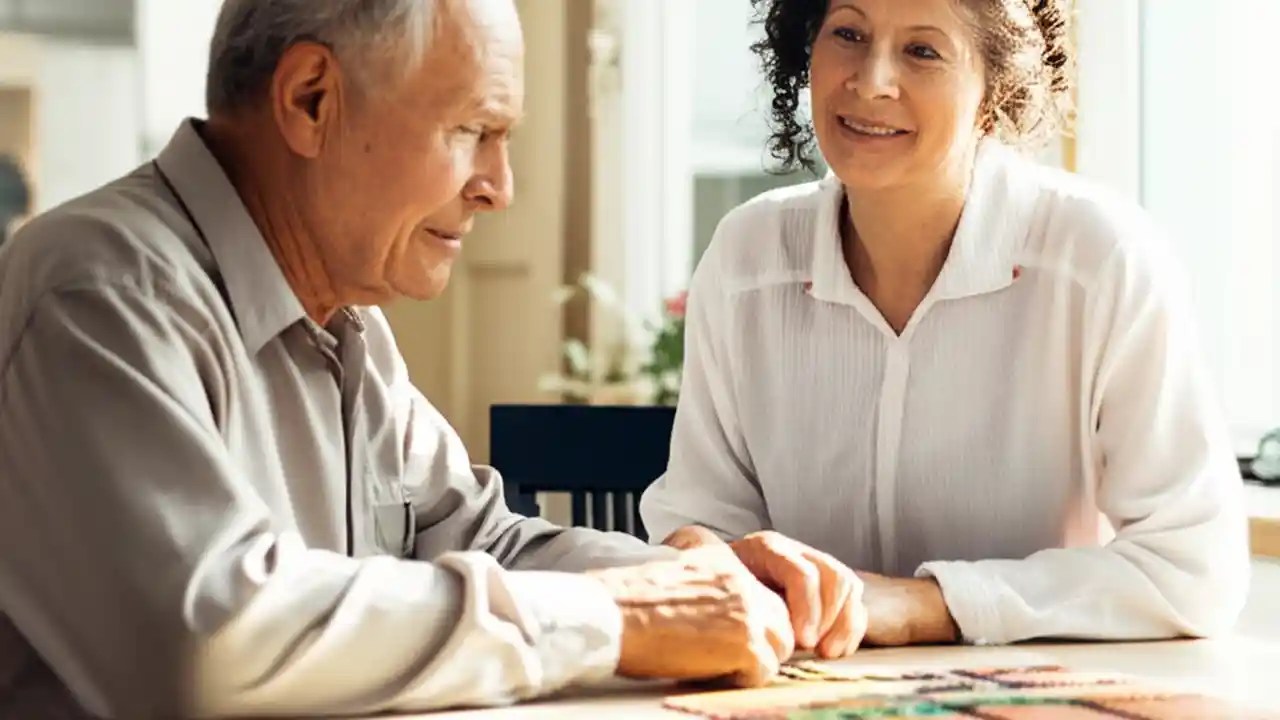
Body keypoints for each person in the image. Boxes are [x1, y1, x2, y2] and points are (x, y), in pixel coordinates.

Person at [0, 1, 797, 717]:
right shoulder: (99, 290)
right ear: (312, 99)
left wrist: (697, 579)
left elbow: (486, 542)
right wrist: (626, 615)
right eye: (471, 131)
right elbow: (210, 640)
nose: (499, 187)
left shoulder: (347, 323)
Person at [641, 0, 1250, 659]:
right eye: (847, 33)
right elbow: (700, 520)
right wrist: (700, 552)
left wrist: (919, 605)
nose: (871, 80)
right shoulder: (745, 259)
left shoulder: (1099, 259)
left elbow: (1193, 568)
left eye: (923, 51)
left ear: (995, 92)